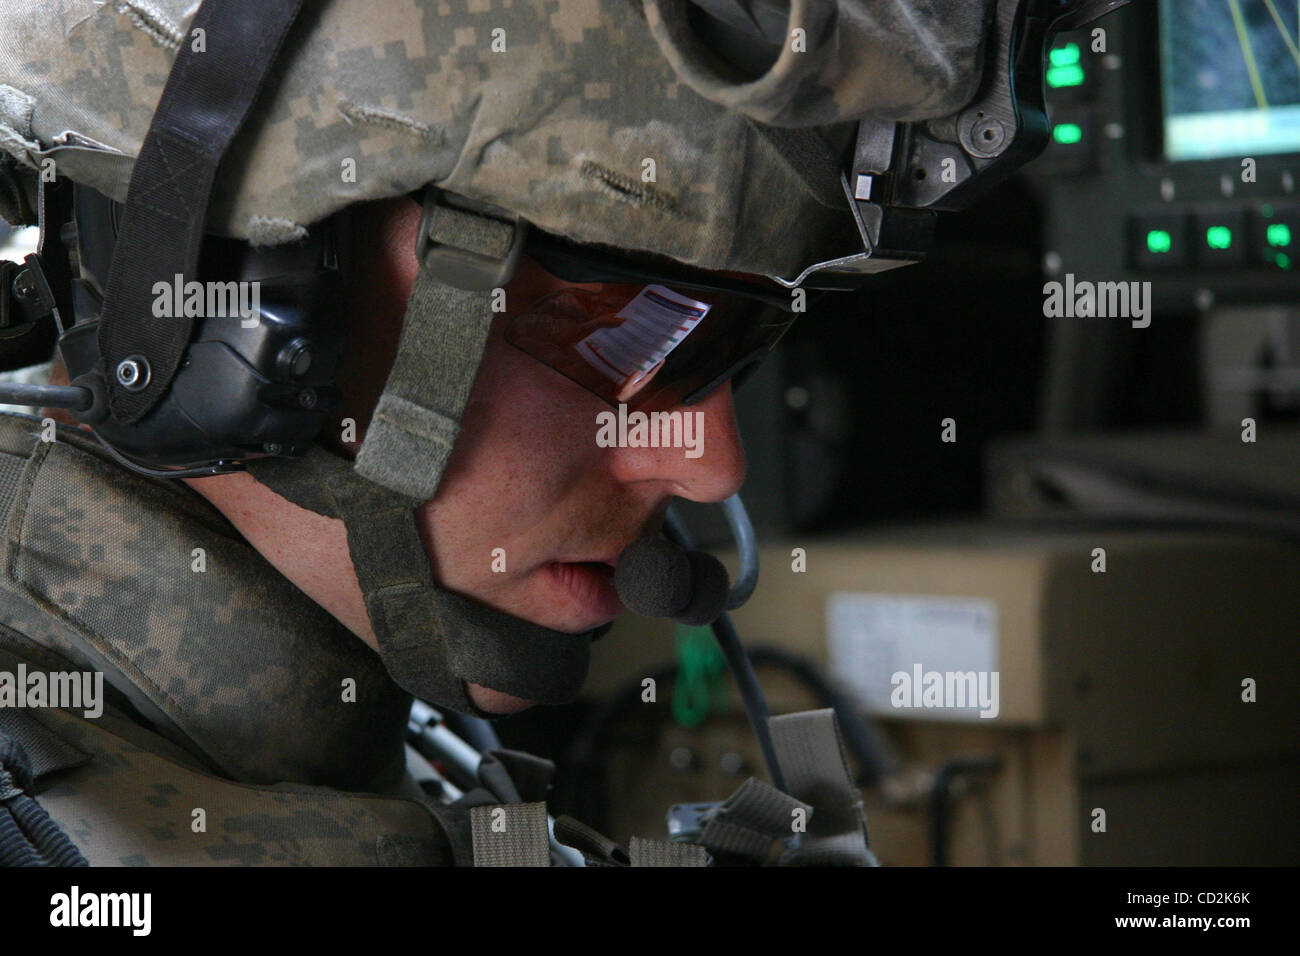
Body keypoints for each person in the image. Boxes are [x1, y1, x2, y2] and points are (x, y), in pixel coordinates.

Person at [0, 0, 996, 865]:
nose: (710, 464)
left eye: (730, 345)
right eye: (618, 322)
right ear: (235, 305)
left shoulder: (377, 745)